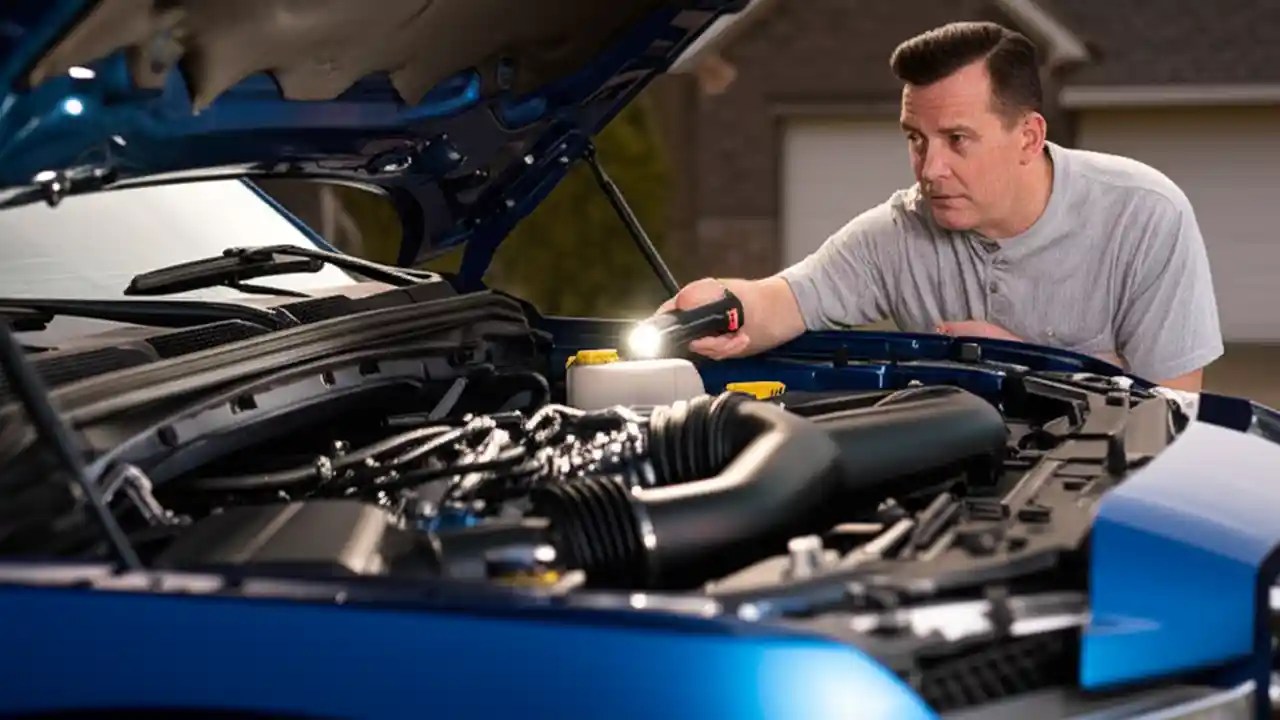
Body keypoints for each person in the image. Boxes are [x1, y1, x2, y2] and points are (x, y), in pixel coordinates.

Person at [658, 21, 1223, 392]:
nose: (930, 170)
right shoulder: (896, 236)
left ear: (1028, 137)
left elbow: (1174, 407)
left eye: (958, 140)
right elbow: (785, 299)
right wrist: (721, 301)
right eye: (915, 138)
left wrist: (1025, 361)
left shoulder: (1145, 216)